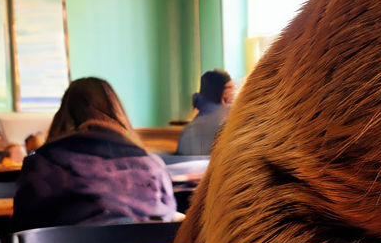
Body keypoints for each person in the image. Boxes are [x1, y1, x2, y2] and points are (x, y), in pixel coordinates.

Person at [12, 76, 177, 230]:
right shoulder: (152, 164)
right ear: (118, 113)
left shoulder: (44, 163)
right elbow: (168, 216)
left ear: (63, 114)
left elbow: (24, 227)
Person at [176, 69, 235, 156]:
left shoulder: (190, 127)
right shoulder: (226, 119)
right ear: (220, 91)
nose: (233, 91)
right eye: (229, 87)